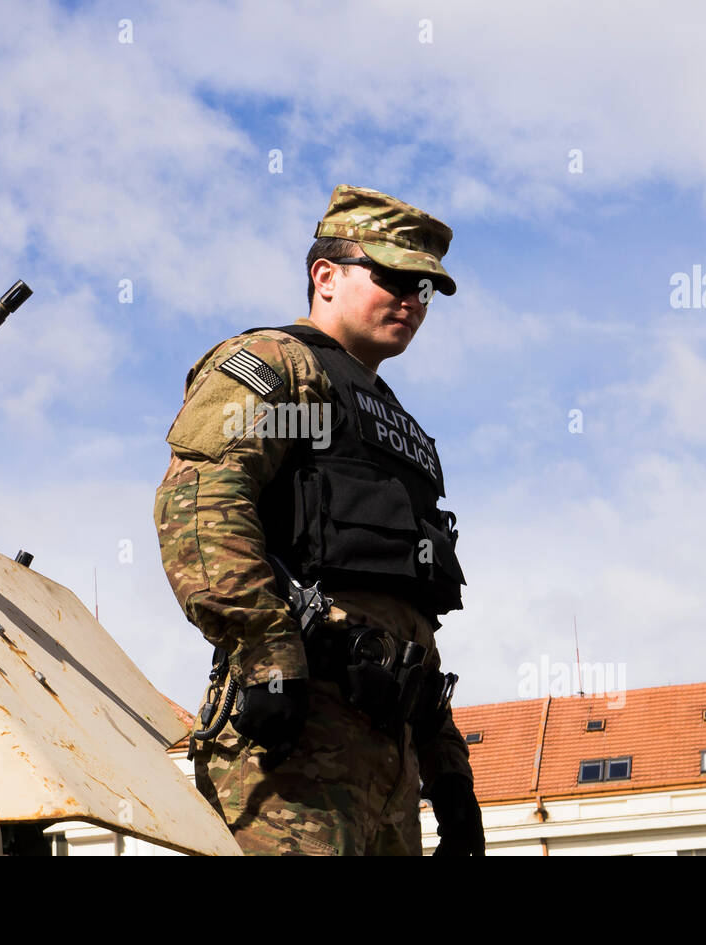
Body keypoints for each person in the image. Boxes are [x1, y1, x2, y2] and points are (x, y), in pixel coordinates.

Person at [153, 185, 484, 856]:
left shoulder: (402, 432)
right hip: (293, 741)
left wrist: (448, 770)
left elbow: (409, 614)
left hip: (389, 763)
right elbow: (199, 508)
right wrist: (264, 653)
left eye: (425, 287)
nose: (415, 298)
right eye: (393, 276)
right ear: (325, 276)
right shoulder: (275, 366)